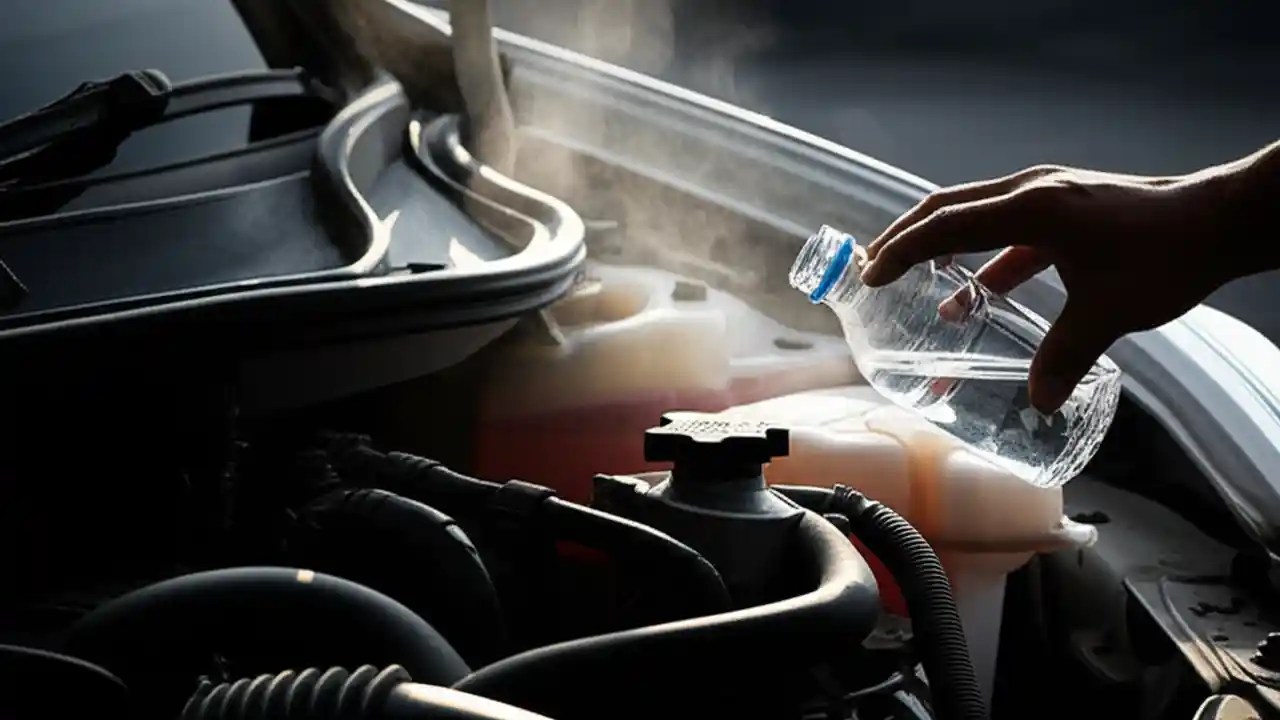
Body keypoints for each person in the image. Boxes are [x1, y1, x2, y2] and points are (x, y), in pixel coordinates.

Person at [858, 139, 1280, 414]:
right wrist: (1218, 206)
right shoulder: (868, 350)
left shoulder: (873, 351)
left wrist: (1219, 213)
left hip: (1065, 432)